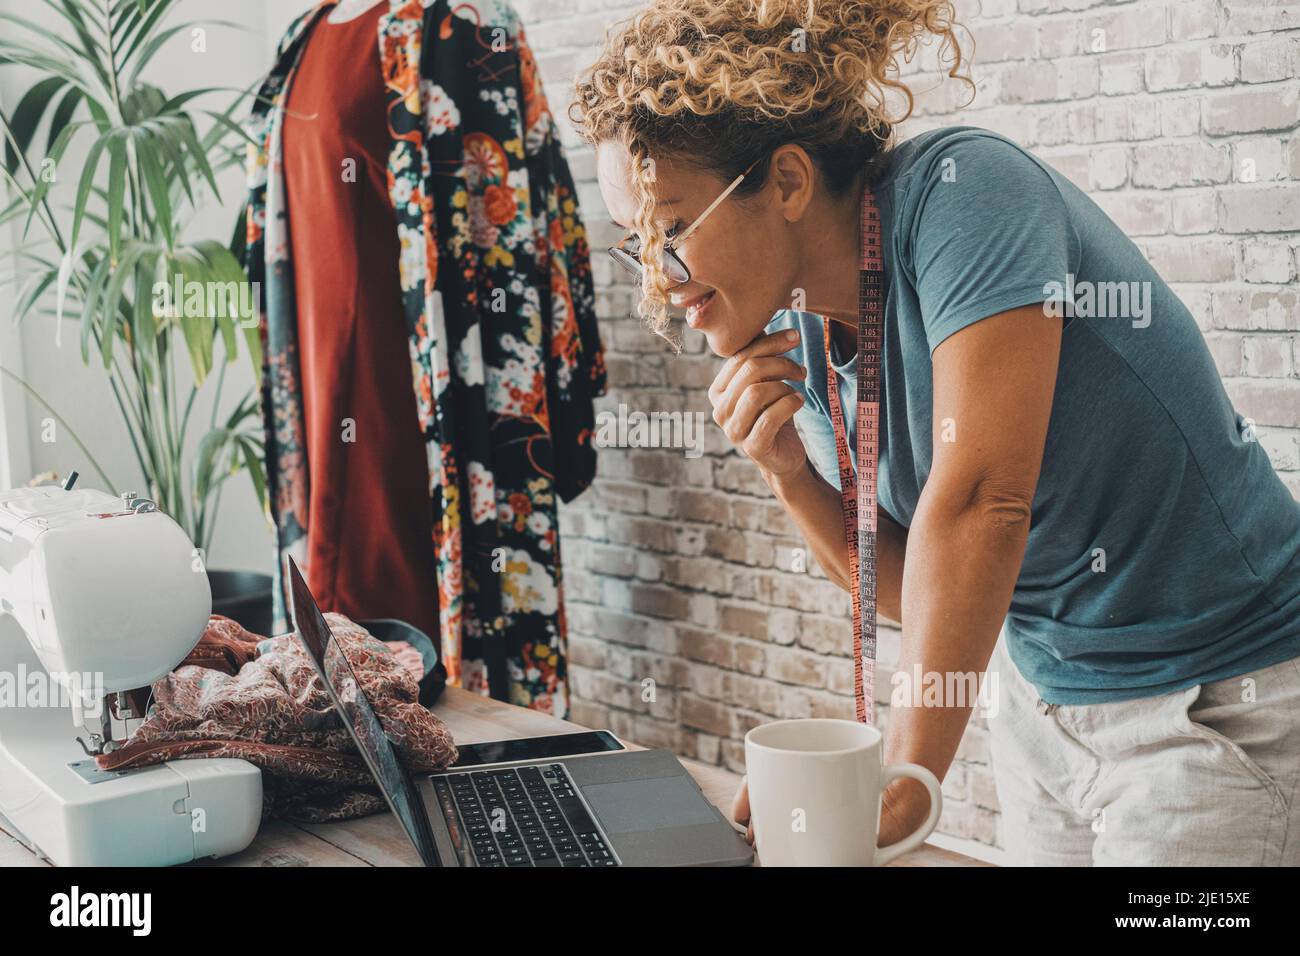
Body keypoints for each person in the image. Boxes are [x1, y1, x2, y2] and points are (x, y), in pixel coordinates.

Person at [568, 0, 1300, 864]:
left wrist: (900, 779)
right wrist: (790, 474)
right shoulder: (799, 329)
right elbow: (916, 593)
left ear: (790, 182)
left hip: (1213, 698)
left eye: (673, 228)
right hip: (1046, 705)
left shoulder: (967, 192)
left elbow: (987, 502)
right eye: (637, 243)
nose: (658, 276)